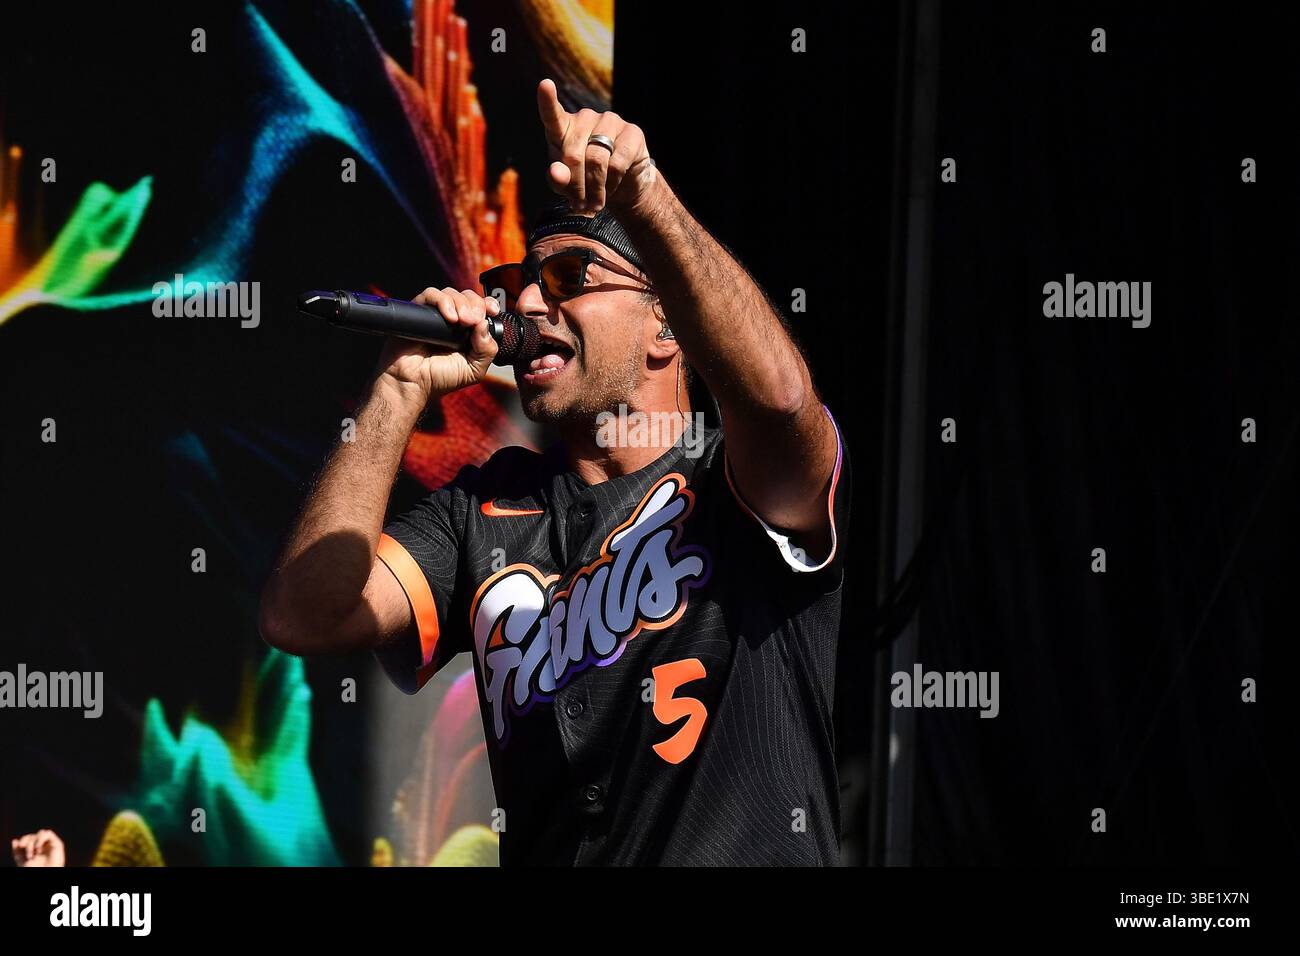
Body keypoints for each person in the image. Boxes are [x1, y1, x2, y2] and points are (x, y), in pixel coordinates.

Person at [259, 77, 851, 865]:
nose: (530, 304)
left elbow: (780, 403)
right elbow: (307, 615)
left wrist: (643, 193)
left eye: (571, 277)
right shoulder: (482, 510)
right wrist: (396, 389)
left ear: (665, 327)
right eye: (515, 285)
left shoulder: (736, 483)